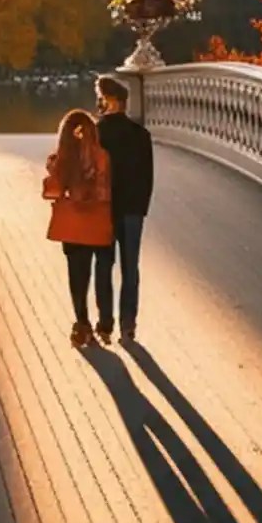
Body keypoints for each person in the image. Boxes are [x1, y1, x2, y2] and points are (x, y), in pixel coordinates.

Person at [43, 109, 115, 347]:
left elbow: (52, 191)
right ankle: (104, 322)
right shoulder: (102, 156)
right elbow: (105, 192)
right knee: (102, 275)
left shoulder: (61, 159)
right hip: (98, 222)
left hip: (72, 225)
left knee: (77, 277)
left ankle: (82, 323)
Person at [94, 75, 154, 343]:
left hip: (104, 208)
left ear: (108, 100)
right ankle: (128, 325)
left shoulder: (96, 133)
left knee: (103, 265)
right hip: (132, 210)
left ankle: (105, 323)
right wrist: (141, 208)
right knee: (131, 268)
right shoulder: (141, 135)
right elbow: (147, 177)